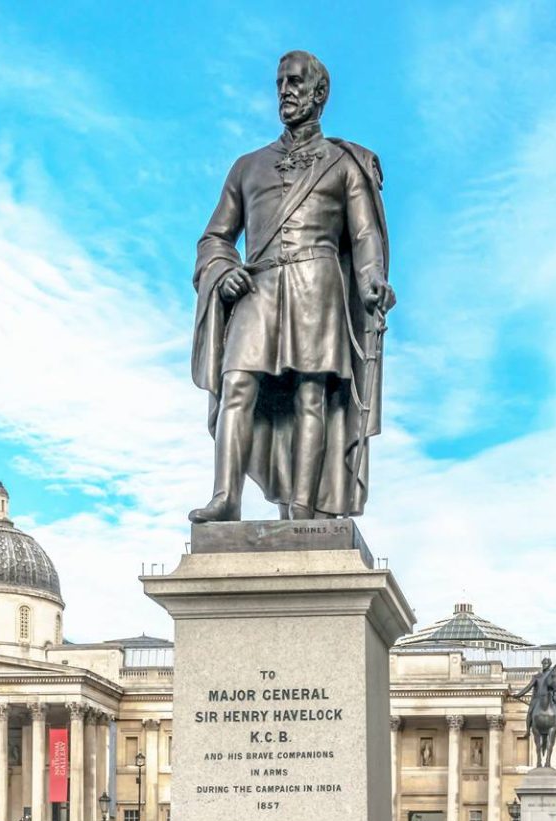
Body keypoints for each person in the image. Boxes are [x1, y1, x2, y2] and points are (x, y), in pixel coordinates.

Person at [189, 49, 395, 524]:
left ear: (320, 93)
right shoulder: (247, 166)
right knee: (236, 383)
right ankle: (226, 497)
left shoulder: (345, 164)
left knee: (310, 395)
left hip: (316, 286)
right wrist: (223, 269)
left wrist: (373, 280)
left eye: (296, 83)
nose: (285, 91)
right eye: (280, 83)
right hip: (257, 288)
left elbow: (364, 236)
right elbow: (215, 237)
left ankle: (302, 506)